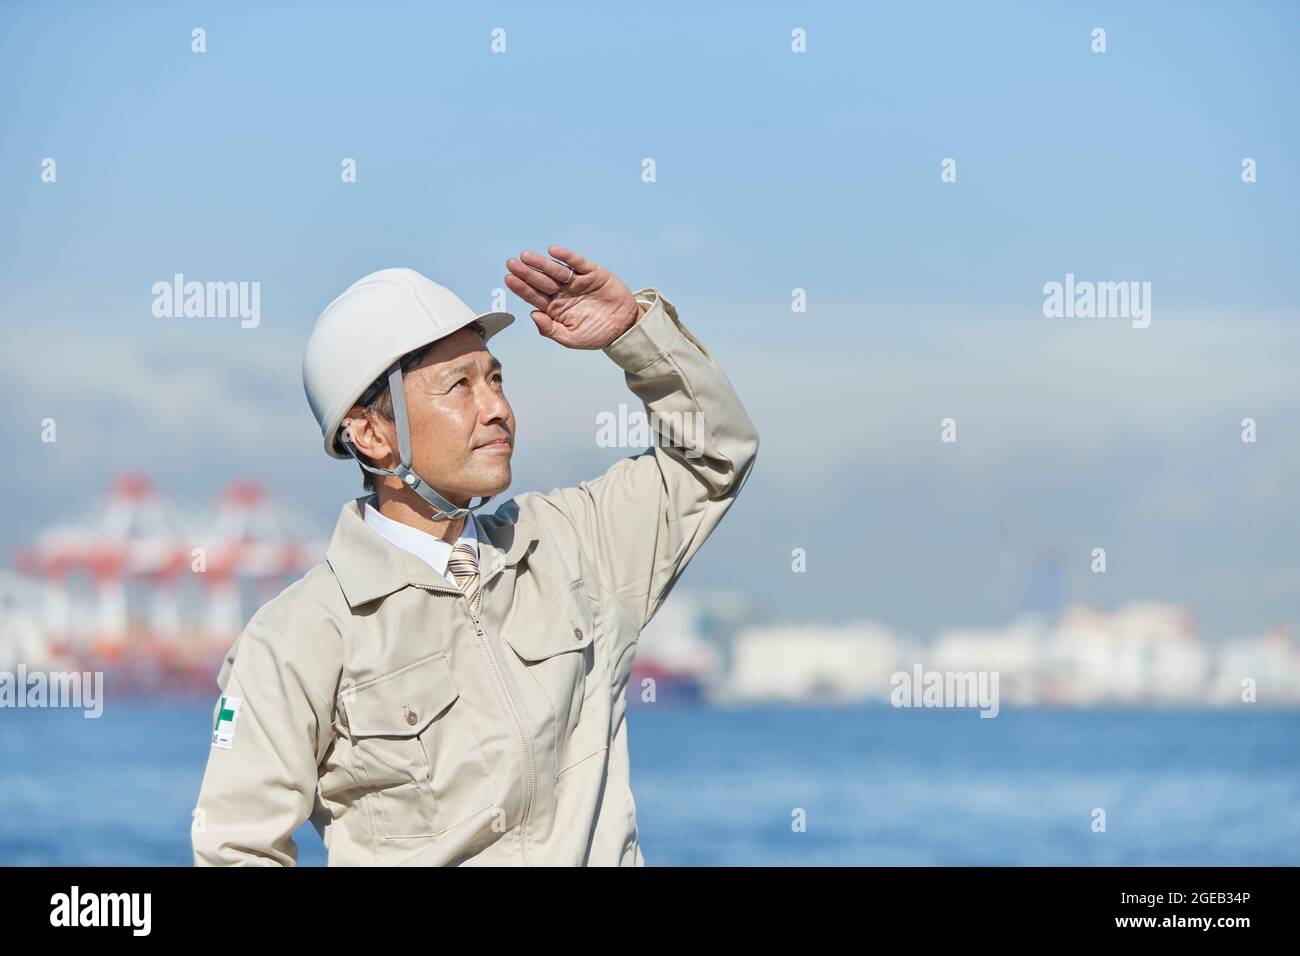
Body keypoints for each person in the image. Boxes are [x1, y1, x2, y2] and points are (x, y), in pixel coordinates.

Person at [191, 245, 758, 865]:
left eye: (495, 378)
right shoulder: (297, 636)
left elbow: (713, 455)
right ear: (372, 434)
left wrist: (633, 336)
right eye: (457, 385)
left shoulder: (574, 546)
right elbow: (236, 848)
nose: (495, 408)